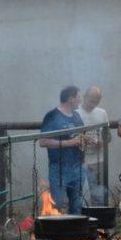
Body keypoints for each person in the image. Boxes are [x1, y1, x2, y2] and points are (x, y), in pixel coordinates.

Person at [40, 86, 86, 214]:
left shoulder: (76, 116)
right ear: (71, 99)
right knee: (58, 203)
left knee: (77, 205)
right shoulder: (52, 116)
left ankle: (76, 233)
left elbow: (80, 136)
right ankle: (58, 232)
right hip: (59, 168)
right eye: (78, 97)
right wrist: (69, 143)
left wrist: (85, 141)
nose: (80, 100)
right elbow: (43, 141)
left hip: (78, 167)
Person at [76, 86, 109, 205]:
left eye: (96, 102)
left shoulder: (102, 113)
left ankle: (99, 222)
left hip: (97, 161)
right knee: (77, 196)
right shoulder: (75, 113)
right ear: (84, 97)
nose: (93, 104)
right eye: (91, 101)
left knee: (99, 196)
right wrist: (81, 140)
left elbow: (108, 137)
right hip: (79, 161)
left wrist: (102, 142)